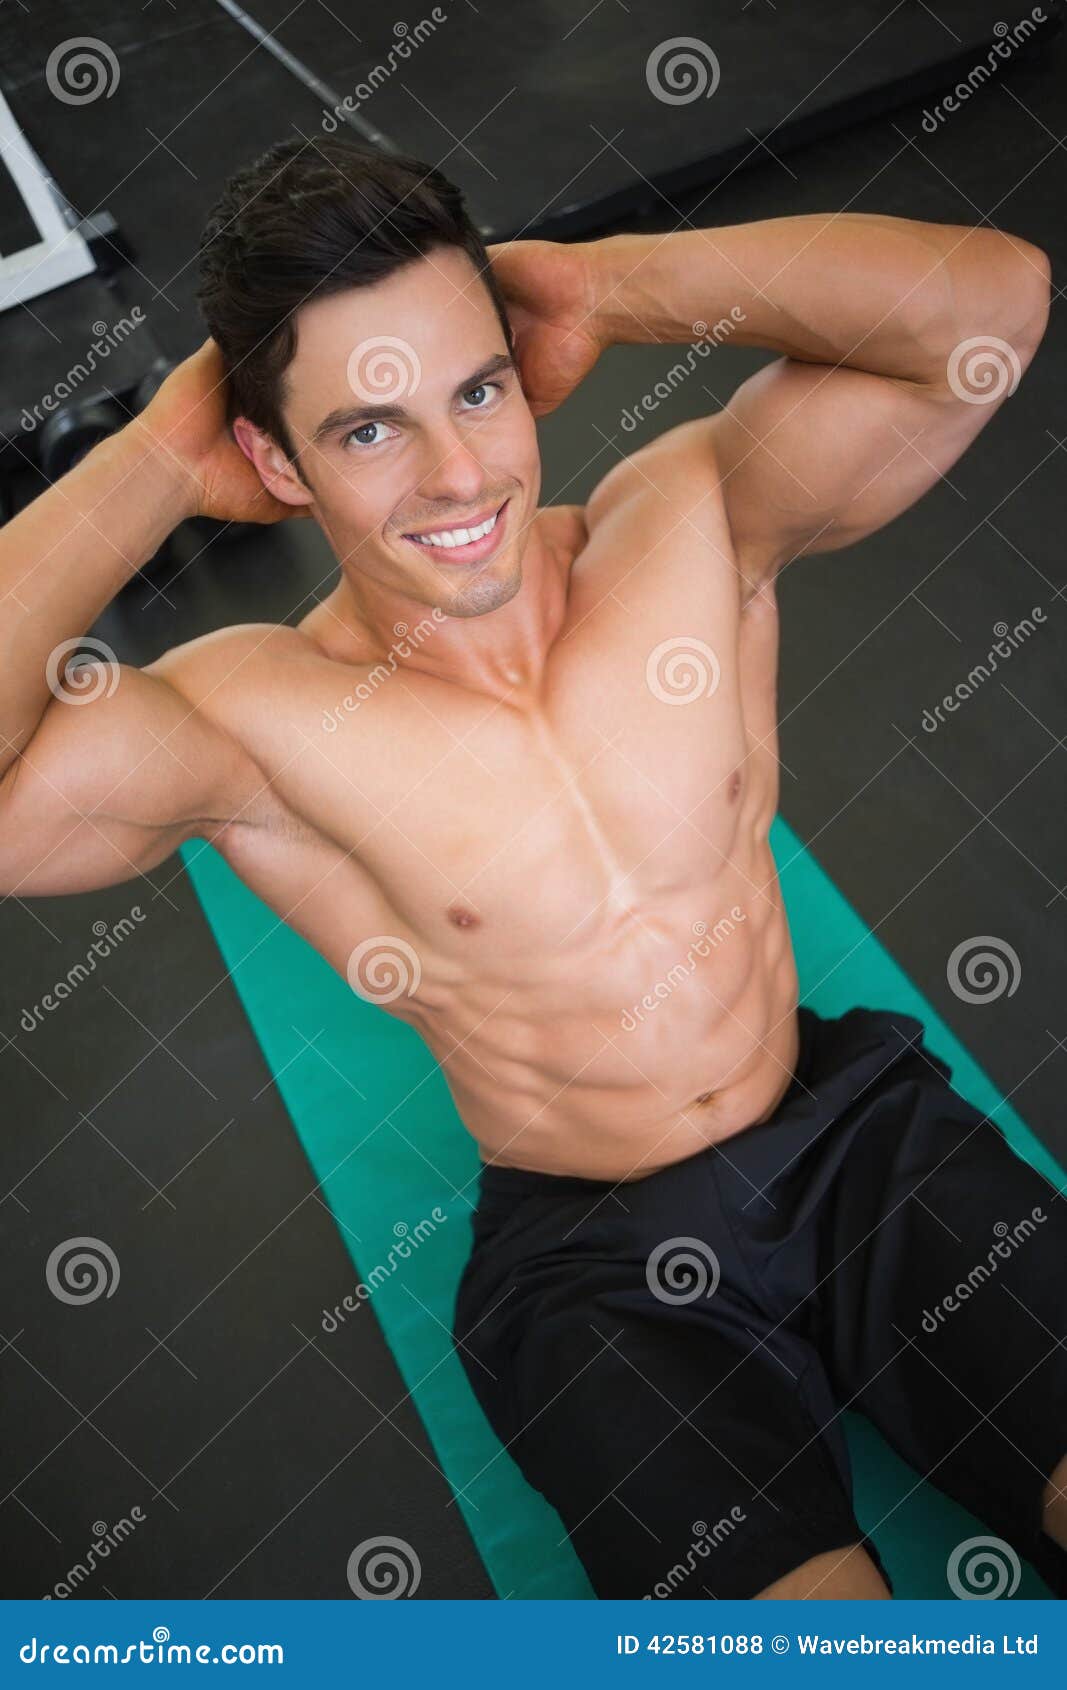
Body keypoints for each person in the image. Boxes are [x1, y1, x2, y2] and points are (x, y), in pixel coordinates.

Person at [0, 136, 1061, 1600]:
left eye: (476, 390)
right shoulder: (254, 718)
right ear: (274, 459)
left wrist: (609, 287)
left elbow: (993, 306)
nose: (457, 475)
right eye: (366, 429)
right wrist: (158, 459)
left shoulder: (686, 520)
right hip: (597, 1269)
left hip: (852, 1140)